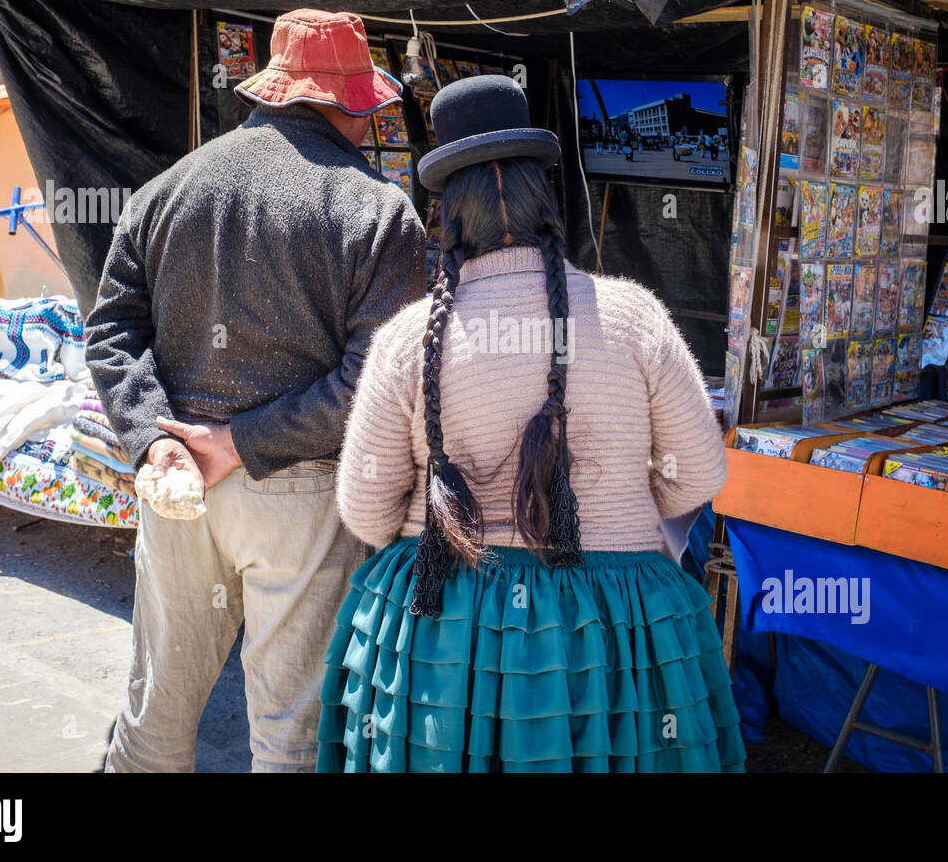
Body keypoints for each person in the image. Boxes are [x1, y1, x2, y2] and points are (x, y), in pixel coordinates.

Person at [317, 75, 745, 772]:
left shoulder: (406, 340)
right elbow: (698, 474)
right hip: (617, 632)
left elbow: (367, 512)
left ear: (446, 214)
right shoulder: (635, 317)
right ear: (544, 196)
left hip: (447, 635)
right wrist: (620, 518)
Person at [86, 8, 426, 772]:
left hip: (178, 487)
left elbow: (111, 332)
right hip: (299, 495)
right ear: (348, 105)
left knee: (153, 723)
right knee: (291, 738)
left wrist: (157, 441)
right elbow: (376, 382)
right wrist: (237, 444)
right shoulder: (377, 209)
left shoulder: (166, 190)